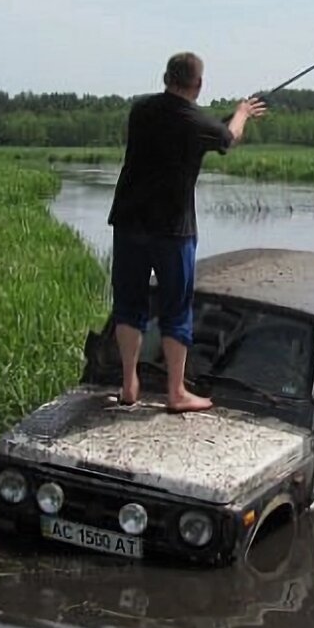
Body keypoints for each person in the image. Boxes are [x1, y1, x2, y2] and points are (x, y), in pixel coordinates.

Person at [107, 51, 266, 412]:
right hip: (172, 230)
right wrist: (241, 114)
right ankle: (176, 392)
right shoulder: (199, 124)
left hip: (129, 221)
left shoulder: (140, 111)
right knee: (176, 309)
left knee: (128, 304)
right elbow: (228, 138)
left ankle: (128, 382)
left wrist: (219, 125)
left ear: (165, 78)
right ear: (199, 84)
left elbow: (189, 131)